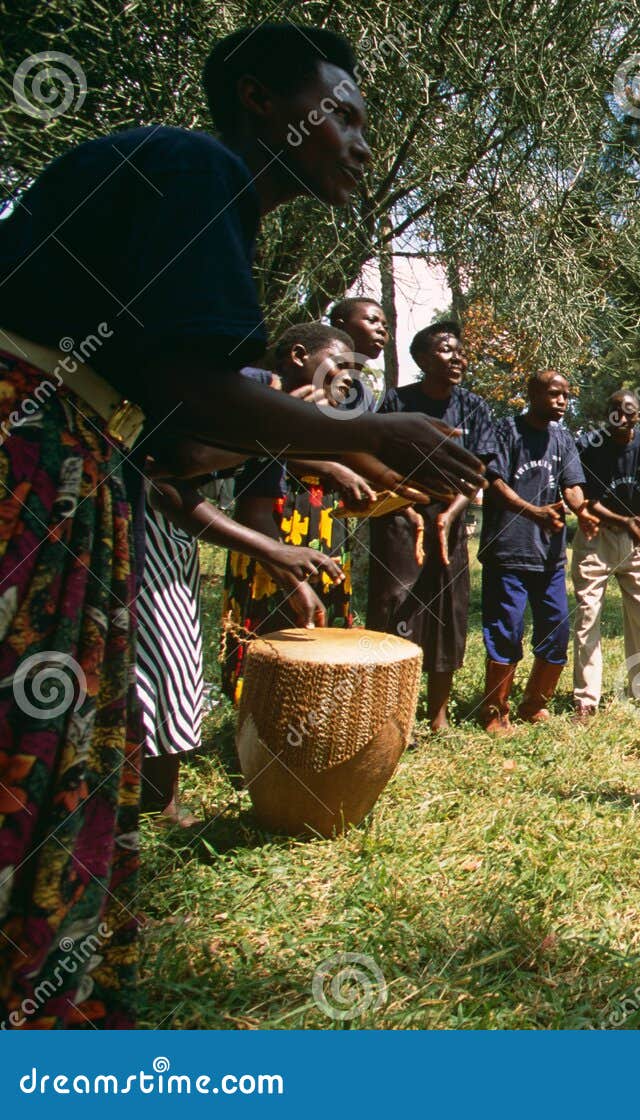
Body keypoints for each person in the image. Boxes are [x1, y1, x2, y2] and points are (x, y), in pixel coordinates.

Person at [0, 22, 480, 1028]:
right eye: (339, 114)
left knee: (61, 738)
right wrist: (369, 432)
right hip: (26, 453)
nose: (356, 140)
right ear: (263, 100)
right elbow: (194, 393)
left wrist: (320, 454)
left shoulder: (208, 204)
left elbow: (176, 439)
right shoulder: (197, 167)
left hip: (74, 460)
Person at [137, 477, 342, 825]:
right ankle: (153, 802)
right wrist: (276, 552)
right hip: (138, 516)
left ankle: (156, 797)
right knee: (161, 656)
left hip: (172, 530)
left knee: (173, 653)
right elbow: (164, 486)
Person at [221, 325, 373, 699]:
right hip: (269, 532)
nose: (342, 377)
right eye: (335, 365)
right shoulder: (257, 389)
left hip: (314, 523)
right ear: (299, 356)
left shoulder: (312, 409)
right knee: (272, 630)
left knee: (317, 627)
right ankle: (260, 718)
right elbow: (254, 501)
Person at [367, 321, 497, 731]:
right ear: (422, 360)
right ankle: (390, 713)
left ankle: (437, 714)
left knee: (448, 610)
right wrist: (409, 504)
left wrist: (448, 514)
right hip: (399, 516)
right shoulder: (396, 402)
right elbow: (375, 458)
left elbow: (481, 468)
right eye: (445, 350)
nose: (457, 357)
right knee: (396, 607)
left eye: (460, 350)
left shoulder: (475, 407)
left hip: (450, 521)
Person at [478, 370, 596, 733]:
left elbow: (572, 485)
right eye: (554, 394)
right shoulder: (504, 431)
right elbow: (493, 481)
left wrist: (582, 511)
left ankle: (534, 704)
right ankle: (494, 711)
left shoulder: (563, 439)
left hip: (548, 556)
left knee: (557, 631)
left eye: (566, 396)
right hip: (507, 552)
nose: (562, 401)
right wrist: (533, 512)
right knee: (506, 632)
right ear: (532, 394)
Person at [570, 390, 640, 716]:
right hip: (596, 536)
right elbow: (589, 500)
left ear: (638, 415)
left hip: (638, 539)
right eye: (614, 411)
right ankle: (586, 699)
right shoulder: (589, 446)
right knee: (587, 616)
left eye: (628, 413)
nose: (621, 418)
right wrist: (626, 521)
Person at [327, 295, 388, 404]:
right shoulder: (317, 378)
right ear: (340, 326)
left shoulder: (366, 396)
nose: (382, 330)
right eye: (372, 320)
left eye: (386, 327)